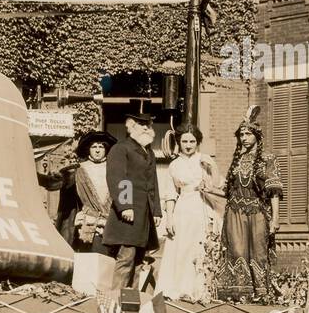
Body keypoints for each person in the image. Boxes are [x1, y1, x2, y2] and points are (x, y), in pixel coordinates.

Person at [216, 106, 283, 303]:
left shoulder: (267, 159)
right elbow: (227, 192)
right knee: (236, 250)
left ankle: (261, 293)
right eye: (241, 134)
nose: (244, 138)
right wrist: (206, 188)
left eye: (248, 134)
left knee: (259, 251)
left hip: (258, 212)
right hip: (235, 212)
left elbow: (274, 191)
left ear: (257, 135)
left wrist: (275, 219)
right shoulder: (237, 160)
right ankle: (239, 294)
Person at [102, 101, 163, 290]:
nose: (146, 128)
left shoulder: (149, 152)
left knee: (139, 260)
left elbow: (152, 183)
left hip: (144, 215)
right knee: (126, 257)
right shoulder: (121, 148)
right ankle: (115, 301)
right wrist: (125, 205)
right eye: (141, 124)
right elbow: (120, 178)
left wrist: (156, 211)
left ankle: (132, 301)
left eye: (148, 125)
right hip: (128, 213)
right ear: (131, 127)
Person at [157, 124, 218, 302]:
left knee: (199, 246)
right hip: (183, 208)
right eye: (184, 141)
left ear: (198, 142)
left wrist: (211, 169)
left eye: (192, 141)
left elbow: (217, 185)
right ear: (179, 142)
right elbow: (170, 193)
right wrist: (169, 218)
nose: (188, 145)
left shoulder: (205, 160)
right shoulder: (174, 165)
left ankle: (198, 290)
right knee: (181, 247)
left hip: (202, 206)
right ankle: (177, 288)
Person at [72, 130, 116, 256]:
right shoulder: (79, 169)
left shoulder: (115, 168)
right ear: (88, 149)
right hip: (88, 222)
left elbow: (126, 194)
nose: (97, 150)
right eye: (94, 147)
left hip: (111, 221)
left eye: (101, 147)